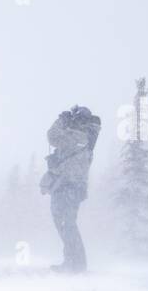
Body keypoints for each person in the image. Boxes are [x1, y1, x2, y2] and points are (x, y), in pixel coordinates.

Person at [39, 106, 101, 273]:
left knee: (66, 224)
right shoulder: (84, 138)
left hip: (68, 186)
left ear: (79, 120)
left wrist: (61, 120)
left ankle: (76, 264)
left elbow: (51, 136)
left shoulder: (77, 136)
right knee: (66, 224)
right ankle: (73, 262)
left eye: (74, 118)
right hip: (71, 186)